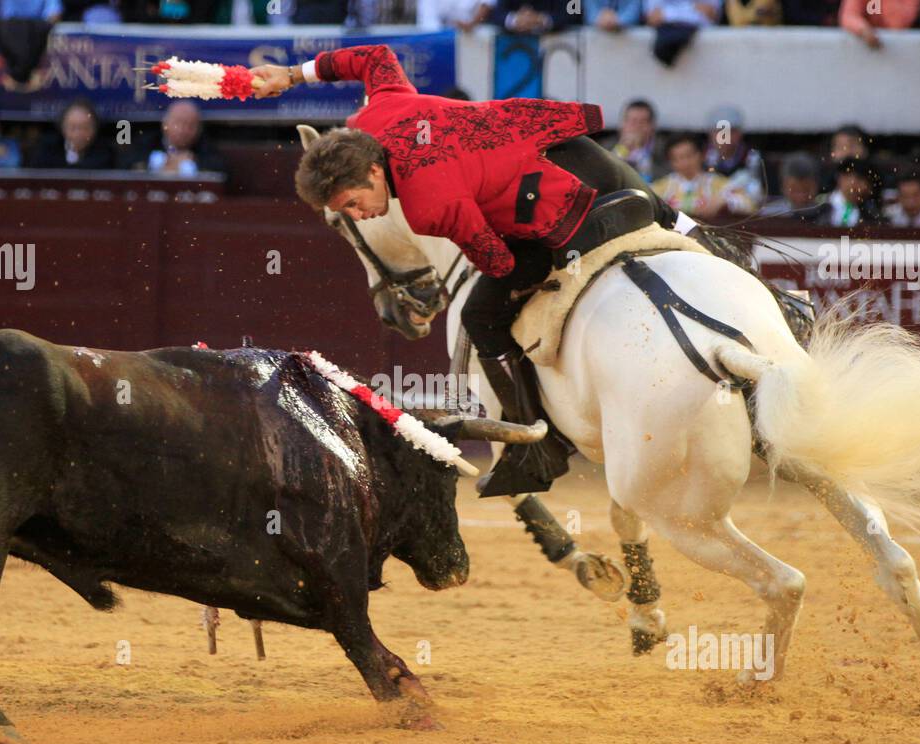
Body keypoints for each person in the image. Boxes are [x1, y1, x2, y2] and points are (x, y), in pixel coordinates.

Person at [249, 45, 700, 496]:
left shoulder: (429, 208)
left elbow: (498, 262)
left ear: (372, 170)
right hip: (574, 147)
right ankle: (695, 231)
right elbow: (374, 57)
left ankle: (535, 444)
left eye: (353, 203)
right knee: (673, 221)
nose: (359, 215)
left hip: (565, 204)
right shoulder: (375, 116)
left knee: (480, 314)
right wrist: (292, 74)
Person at [653, 133, 755, 219]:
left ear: (702, 155)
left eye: (689, 156)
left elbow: (750, 205)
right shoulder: (661, 187)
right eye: (678, 158)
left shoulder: (718, 183)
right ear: (671, 162)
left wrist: (724, 201)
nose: (685, 163)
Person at [133, 100, 228, 178]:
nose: (183, 130)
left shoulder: (206, 147)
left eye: (190, 126)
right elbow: (127, 167)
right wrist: (162, 162)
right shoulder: (146, 142)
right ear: (165, 124)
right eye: (178, 124)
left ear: (199, 129)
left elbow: (220, 174)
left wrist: (191, 164)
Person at [27, 98, 116, 170]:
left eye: (85, 128)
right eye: (73, 127)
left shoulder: (106, 153)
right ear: (63, 128)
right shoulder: (46, 151)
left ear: (94, 129)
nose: (79, 134)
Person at [599, 99, 663, 182]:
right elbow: (601, 175)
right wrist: (622, 150)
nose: (637, 127)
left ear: (652, 126)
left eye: (642, 122)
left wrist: (642, 155)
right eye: (632, 121)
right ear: (623, 124)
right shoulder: (605, 147)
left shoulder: (662, 149)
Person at [763, 152, 828, 224]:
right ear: (783, 186)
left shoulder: (829, 214)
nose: (801, 197)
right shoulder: (770, 215)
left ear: (816, 186)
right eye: (794, 190)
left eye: (806, 190)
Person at [824, 157, 884, 226]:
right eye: (859, 179)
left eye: (868, 183)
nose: (863, 187)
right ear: (842, 177)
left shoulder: (872, 215)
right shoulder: (819, 207)